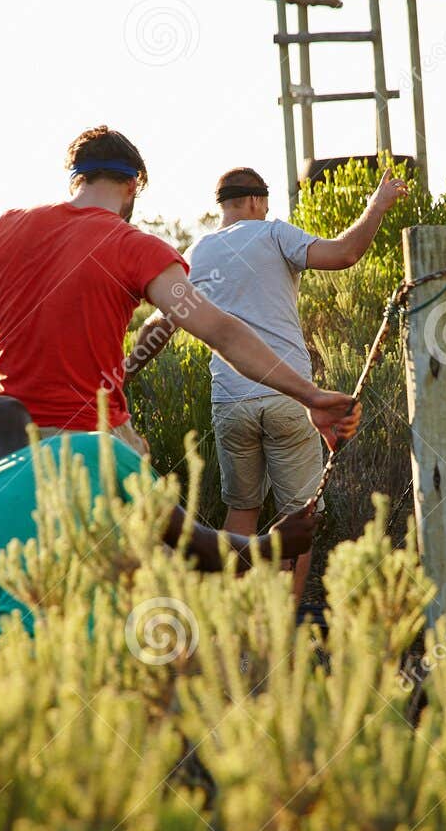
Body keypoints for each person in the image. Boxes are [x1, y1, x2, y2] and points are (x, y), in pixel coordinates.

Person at [0, 127, 362, 460]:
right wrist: (310, 395)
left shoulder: (3, 229)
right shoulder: (135, 248)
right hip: (95, 447)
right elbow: (219, 330)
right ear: (134, 185)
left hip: (4, 444)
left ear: (76, 179)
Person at [125, 165, 408, 600]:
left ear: (223, 206)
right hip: (288, 397)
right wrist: (376, 206)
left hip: (231, 401)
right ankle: (282, 639)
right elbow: (344, 254)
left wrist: (122, 373)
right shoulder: (274, 233)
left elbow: (161, 327)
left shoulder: (197, 253)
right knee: (299, 516)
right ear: (257, 201)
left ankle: (237, 631)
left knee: (241, 513)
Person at [0, 396, 316, 652]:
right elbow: (194, 545)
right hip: (128, 650)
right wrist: (271, 545)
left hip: (32, 669)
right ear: (32, 432)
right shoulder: (97, 448)